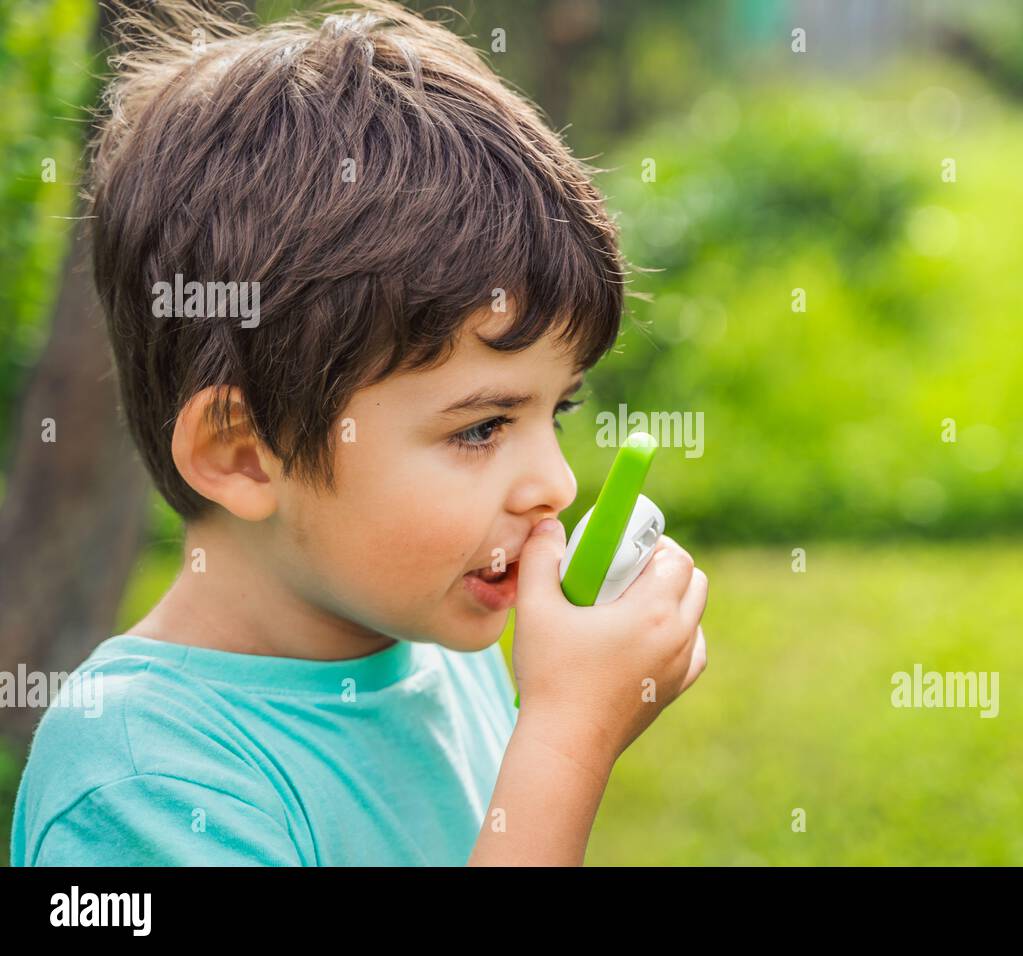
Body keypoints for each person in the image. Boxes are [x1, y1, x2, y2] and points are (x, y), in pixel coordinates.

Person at [10, 0, 707, 866]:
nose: (556, 487)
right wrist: (565, 742)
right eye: (482, 428)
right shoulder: (141, 778)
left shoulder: (444, 658)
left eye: (553, 411)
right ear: (241, 453)